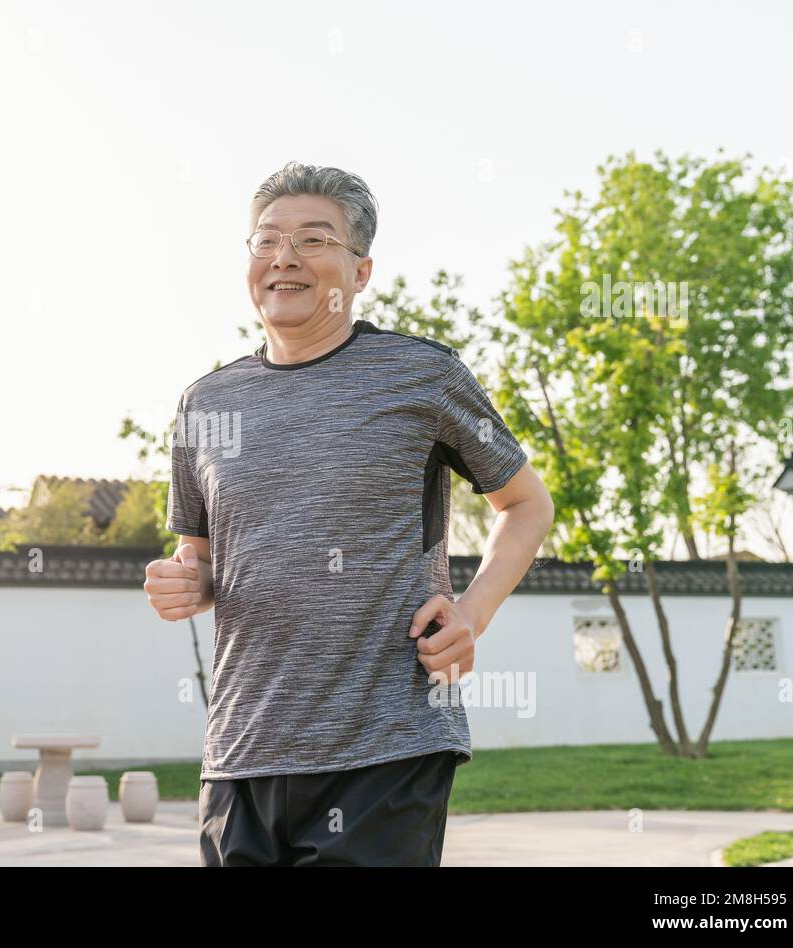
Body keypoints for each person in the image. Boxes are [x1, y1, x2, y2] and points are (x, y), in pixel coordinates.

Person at [143, 161, 554, 866]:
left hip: (385, 745)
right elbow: (202, 556)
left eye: (314, 239)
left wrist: (471, 613)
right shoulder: (204, 404)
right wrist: (186, 580)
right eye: (267, 239)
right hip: (242, 751)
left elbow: (526, 504)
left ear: (361, 271)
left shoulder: (422, 376)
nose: (285, 258)